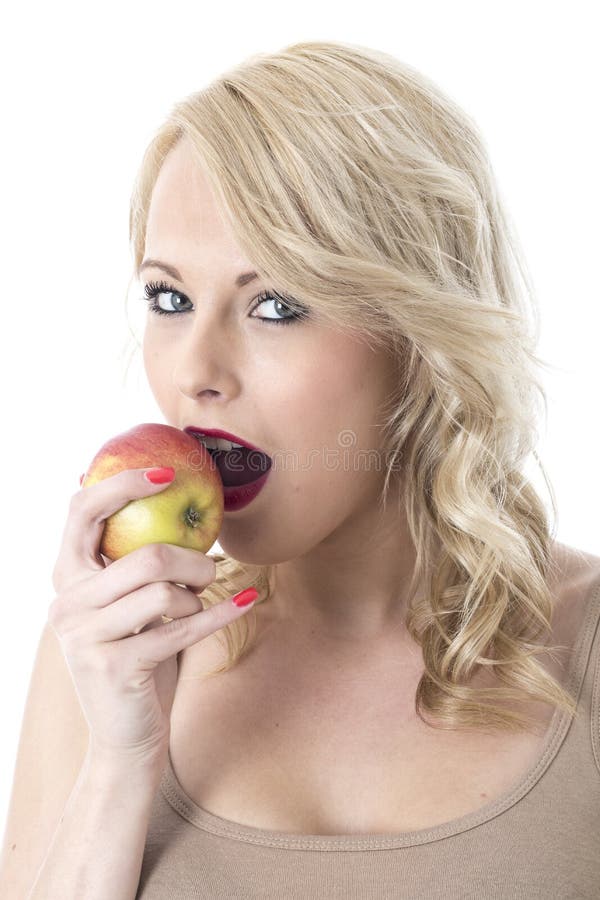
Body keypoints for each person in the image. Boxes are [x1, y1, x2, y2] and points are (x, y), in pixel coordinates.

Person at [1, 40, 599, 900]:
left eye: (275, 305)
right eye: (170, 299)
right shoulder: (110, 649)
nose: (196, 369)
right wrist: (119, 763)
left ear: (420, 336)